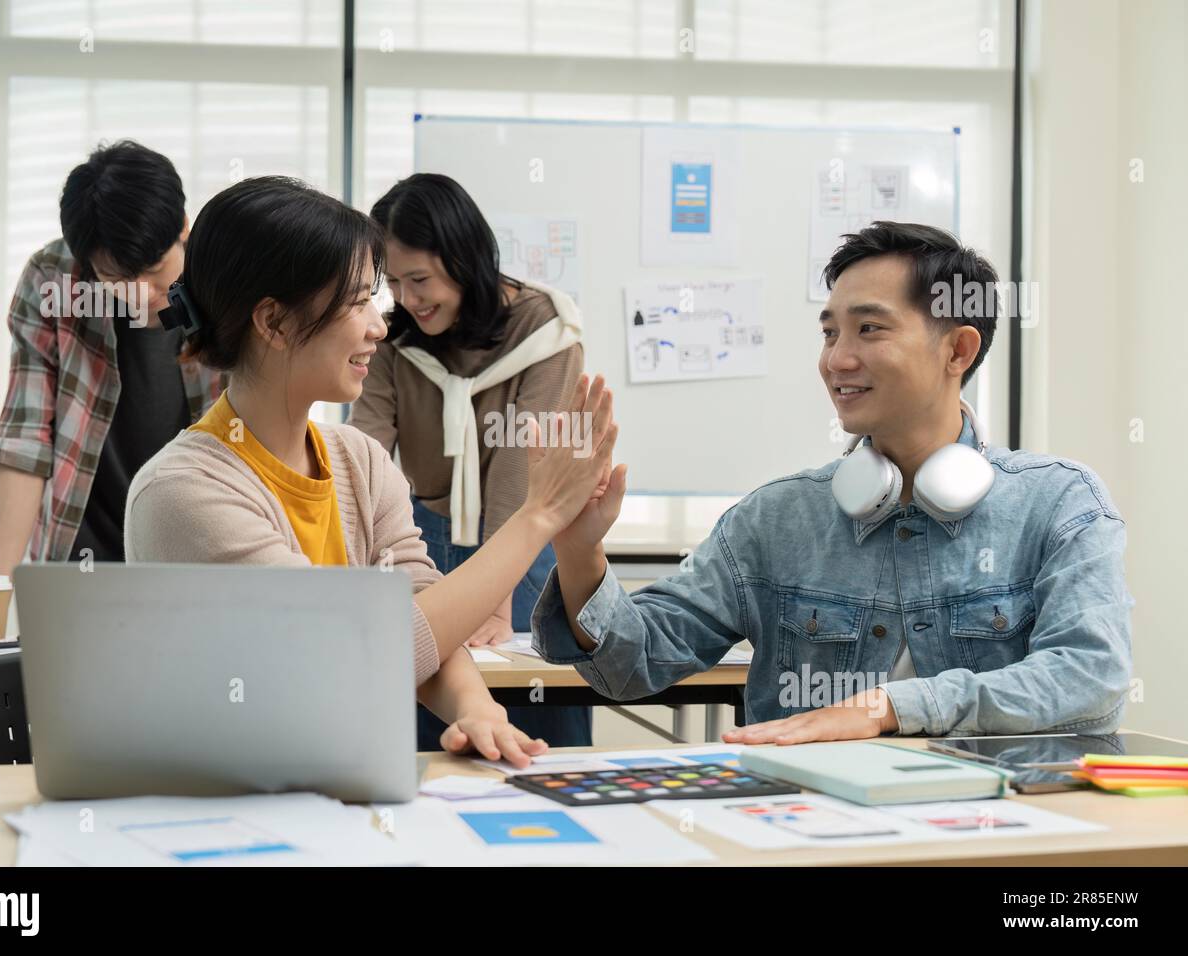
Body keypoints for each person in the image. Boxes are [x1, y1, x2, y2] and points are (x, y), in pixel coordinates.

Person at [531, 221, 1133, 744]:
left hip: (998, 827)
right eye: (829, 332)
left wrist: (890, 707)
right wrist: (579, 548)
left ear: (958, 350)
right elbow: (633, 664)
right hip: (811, 822)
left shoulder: (1059, 502)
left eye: (869, 329)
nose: (837, 359)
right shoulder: (777, 517)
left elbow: (1090, 676)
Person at [125, 176, 618, 767]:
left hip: (349, 785)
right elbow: (352, 646)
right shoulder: (183, 493)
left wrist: (474, 706)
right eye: (358, 301)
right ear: (274, 324)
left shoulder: (357, 461)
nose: (381, 326)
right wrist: (540, 516)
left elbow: (418, 601)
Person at [0, 141, 222, 663]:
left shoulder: (228, 280)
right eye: (116, 280)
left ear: (184, 226)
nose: (138, 296)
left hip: (200, 563)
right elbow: (25, 443)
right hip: (81, 571)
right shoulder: (52, 281)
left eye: (154, 273)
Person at [350, 173, 593, 749]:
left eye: (421, 279)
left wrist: (497, 590)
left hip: (525, 545)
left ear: (463, 258)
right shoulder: (393, 337)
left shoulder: (546, 329)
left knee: (532, 701)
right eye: (395, 283)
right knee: (427, 712)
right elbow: (367, 447)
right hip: (420, 535)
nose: (408, 299)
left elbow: (523, 465)